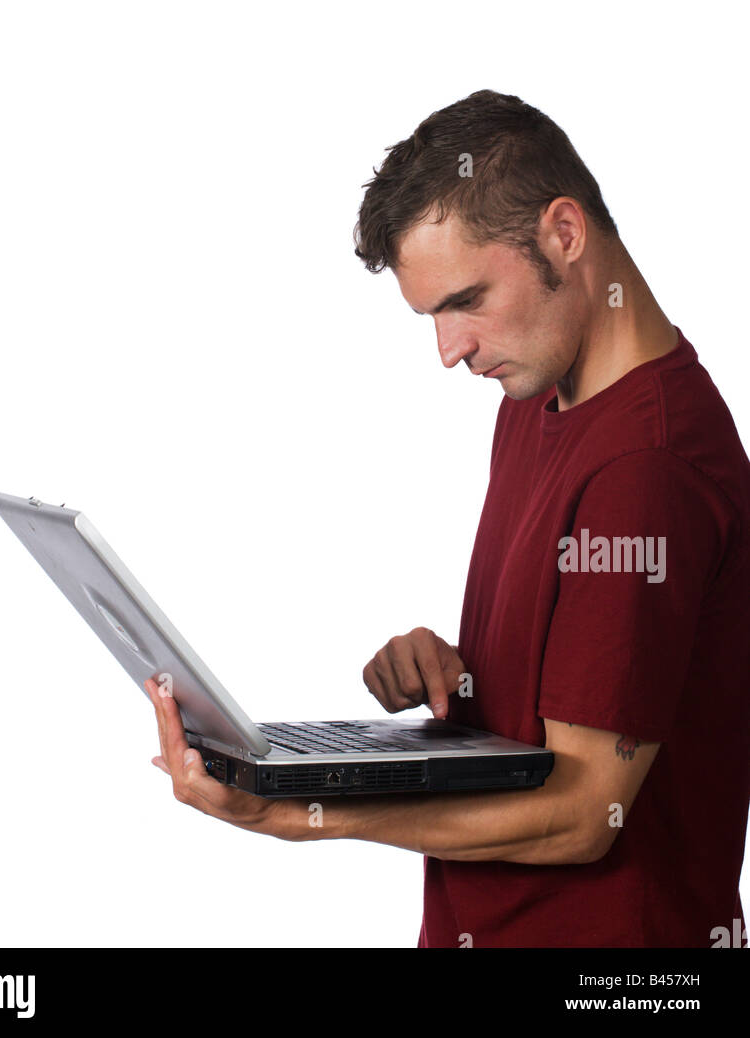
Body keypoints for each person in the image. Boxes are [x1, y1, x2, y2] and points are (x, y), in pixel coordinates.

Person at [146, 89, 750, 949]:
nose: (449, 349)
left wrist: (303, 812)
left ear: (564, 234)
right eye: (434, 315)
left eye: (465, 300)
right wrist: (466, 682)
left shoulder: (646, 466)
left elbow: (584, 813)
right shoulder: (538, 397)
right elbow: (571, 701)